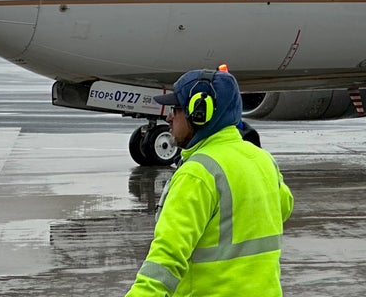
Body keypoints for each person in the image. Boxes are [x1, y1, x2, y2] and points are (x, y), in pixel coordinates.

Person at [125, 66, 294, 296]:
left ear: (200, 112)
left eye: (176, 108)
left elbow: (165, 259)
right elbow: (283, 208)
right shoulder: (263, 160)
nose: (169, 117)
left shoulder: (198, 174)